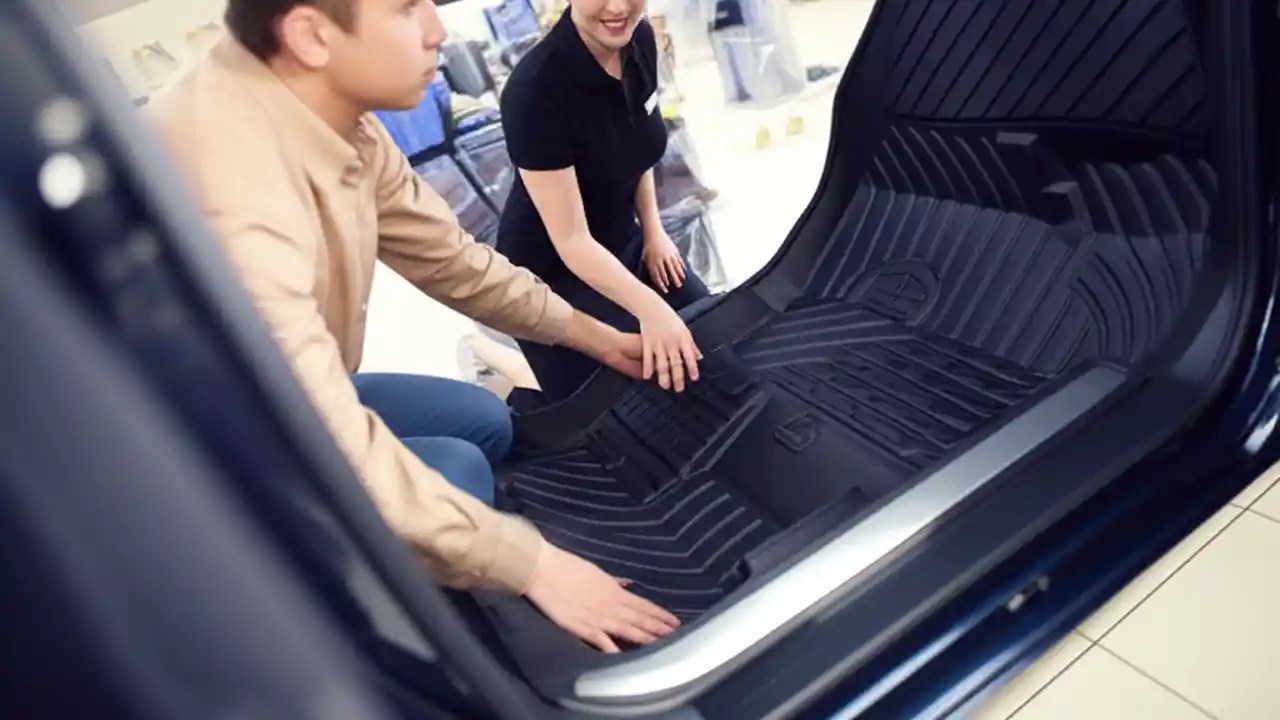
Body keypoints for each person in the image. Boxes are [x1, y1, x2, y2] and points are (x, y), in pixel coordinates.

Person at [144, 0, 679, 654]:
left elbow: (455, 264)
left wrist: (602, 339)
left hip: (281, 384)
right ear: (311, 36)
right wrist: (532, 565)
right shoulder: (235, 181)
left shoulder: (339, 123)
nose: (438, 29)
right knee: (454, 473)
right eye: (406, 9)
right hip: (201, 450)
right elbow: (311, 419)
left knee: (484, 419)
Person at [495, 0, 709, 404]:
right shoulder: (534, 91)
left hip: (618, 241)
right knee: (624, 405)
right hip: (551, 276)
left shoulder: (640, 40)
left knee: (712, 341)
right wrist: (652, 309)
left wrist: (654, 231)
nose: (617, 7)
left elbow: (637, 144)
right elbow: (571, 240)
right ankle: (491, 358)